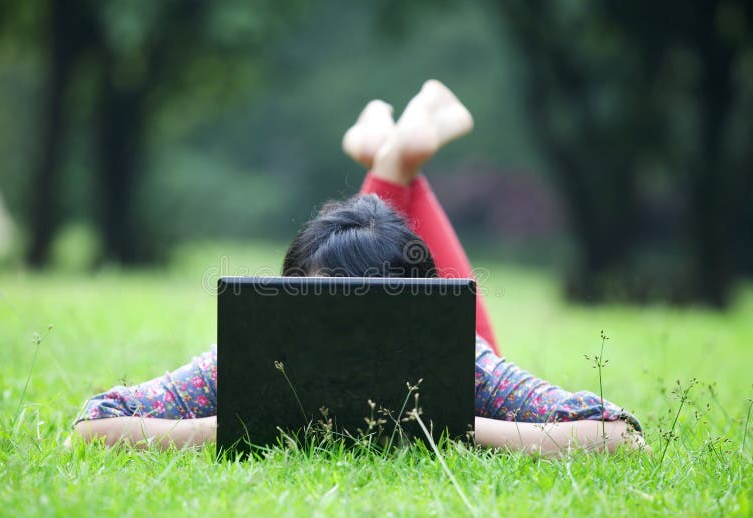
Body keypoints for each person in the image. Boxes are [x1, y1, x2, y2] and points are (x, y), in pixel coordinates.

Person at [68, 81, 645, 455]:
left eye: (360, 315)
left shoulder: (461, 360)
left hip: (452, 356)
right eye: (315, 306)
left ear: (416, 319)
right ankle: (391, 156)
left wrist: (450, 428)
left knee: (390, 201)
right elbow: (92, 428)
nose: (335, 333)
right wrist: (236, 425)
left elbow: (622, 436)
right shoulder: (256, 356)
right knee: (388, 197)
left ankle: (390, 154)